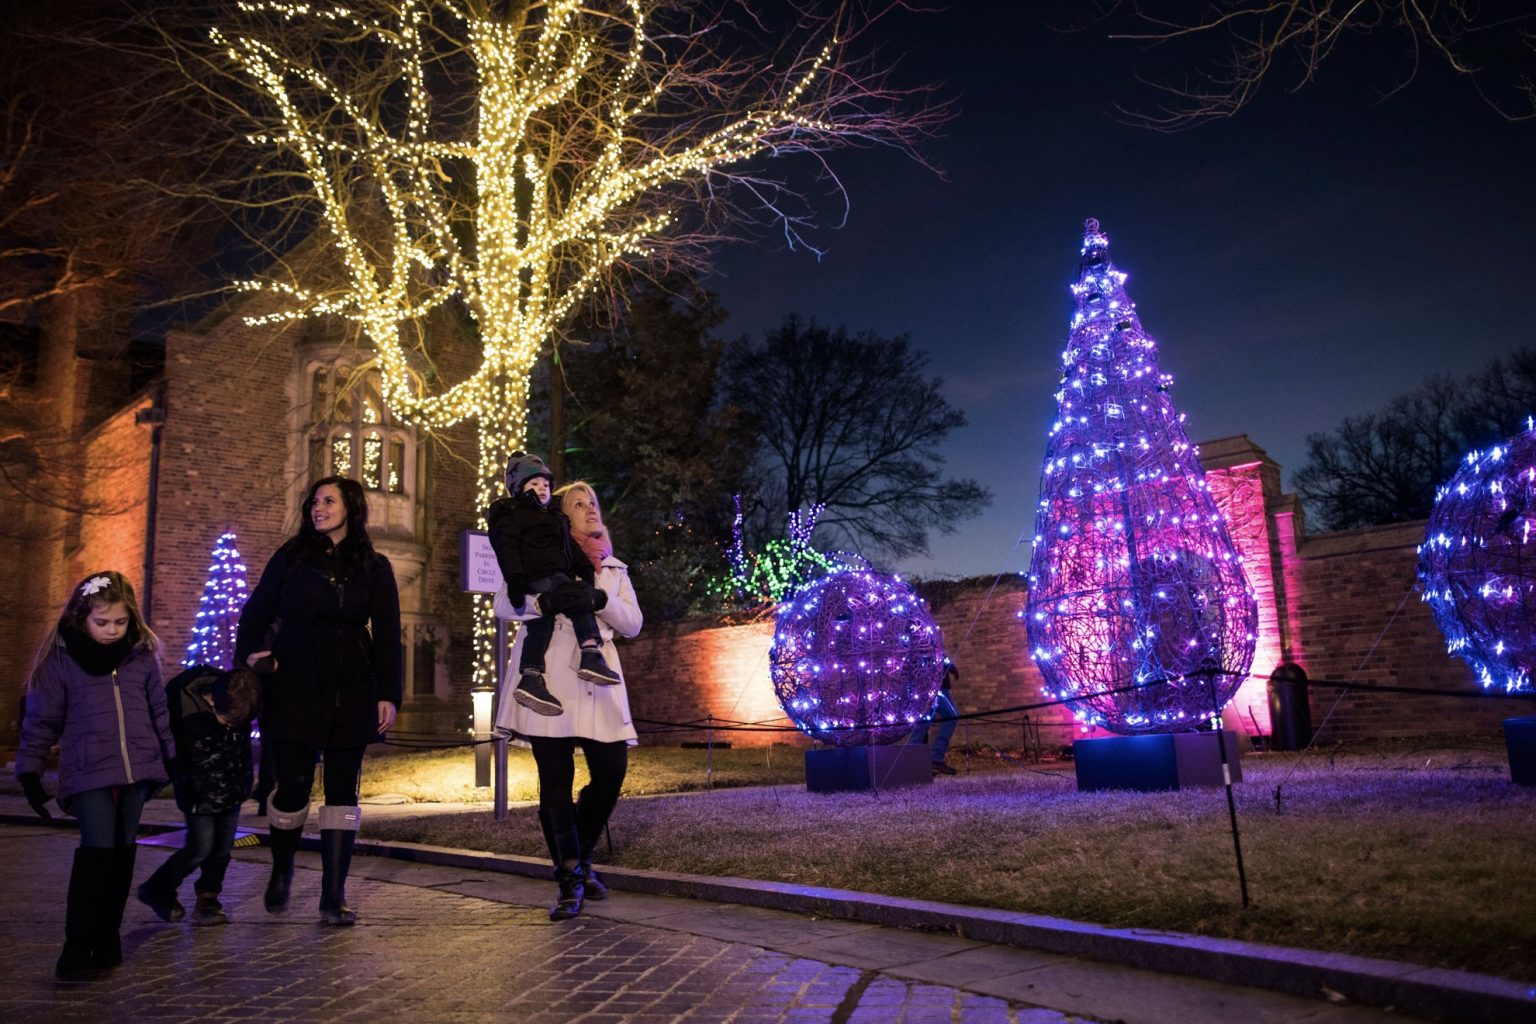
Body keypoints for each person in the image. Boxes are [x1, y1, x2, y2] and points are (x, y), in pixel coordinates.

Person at [235, 475, 402, 926]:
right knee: (291, 786)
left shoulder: (374, 565)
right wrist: (246, 659)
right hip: (294, 681)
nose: (318, 507)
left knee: (343, 792)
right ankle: (283, 866)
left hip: (353, 685)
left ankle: (333, 895)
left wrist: (389, 693)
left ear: (351, 507)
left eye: (329, 500)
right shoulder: (290, 558)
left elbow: (388, 635)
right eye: (314, 501)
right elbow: (256, 612)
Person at [493, 481, 643, 920]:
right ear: (562, 516)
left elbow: (633, 622)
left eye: (593, 502)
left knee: (611, 771)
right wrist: (545, 601)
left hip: (598, 679)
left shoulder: (613, 568)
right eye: (579, 504)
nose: (590, 509)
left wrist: (599, 598)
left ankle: (581, 850)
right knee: (554, 780)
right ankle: (569, 879)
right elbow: (506, 602)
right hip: (551, 677)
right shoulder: (533, 549)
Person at [15, 571, 175, 980]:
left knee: (122, 854)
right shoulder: (63, 659)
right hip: (89, 770)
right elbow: (42, 719)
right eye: (102, 622)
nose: (111, 631)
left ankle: (107, 937)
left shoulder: (139, 656)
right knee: (96, 852)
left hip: (136, 768)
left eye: (120, 623)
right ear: (82, 616)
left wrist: (173, 759)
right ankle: (76, 945)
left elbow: (159, 711)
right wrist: (30, 769)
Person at [486, 452, 621, 718]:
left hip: (556, 576)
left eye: (546, 485)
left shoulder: (556, 521)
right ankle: (590, 651)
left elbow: (569, 548)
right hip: (538, 577)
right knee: (574, 596)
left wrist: (585, 570)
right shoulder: (512, 515)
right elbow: (507, 548)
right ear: (519, 489)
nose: (542, 490)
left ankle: (532, 676)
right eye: (534, 485)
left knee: (543, 622)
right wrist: (515, 580)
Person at [136, 665, 262, 927]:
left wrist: (243, 782)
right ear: (213, 701)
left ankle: (208, 898)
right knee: (200, 847)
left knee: (222, 849)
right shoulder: (184, 708)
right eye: (226, 720)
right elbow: (174, 752)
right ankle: (158, 887)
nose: (229, 726)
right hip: (198, 791)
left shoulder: (239, 705)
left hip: (231, 787)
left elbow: (239, 750)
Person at [914, 660, 961, 775]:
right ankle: (935, 757)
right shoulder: (930, 642)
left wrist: (950, 665)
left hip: (927, 685)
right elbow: (937, 655)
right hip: (936, 686)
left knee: (923, 722)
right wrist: (951, 666)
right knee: (951, 716)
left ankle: (912, 762)